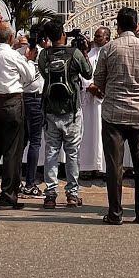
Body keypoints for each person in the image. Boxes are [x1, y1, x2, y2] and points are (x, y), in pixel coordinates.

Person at [90, 7, 139, 224]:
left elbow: (98, 79)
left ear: (117, 25)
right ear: (135, 24)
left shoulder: (108, 49)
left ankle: (115, 213)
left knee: (114, 165)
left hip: (113, 114)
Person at [37, 20, 93, 208]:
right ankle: (72, 194)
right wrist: (85, 51)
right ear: (62, 34)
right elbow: (88, 73)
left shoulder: (44, 54)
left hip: (50, 109)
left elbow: (45, 76)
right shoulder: (74, 53)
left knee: (51, 152)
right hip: (72, 110)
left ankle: (50, 195)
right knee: (72, 153)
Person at [0, 21, 34, 210]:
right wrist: (28, 60)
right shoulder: (13, 55)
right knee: (12, 151)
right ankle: (7, 196)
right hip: (12, 101)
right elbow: (28, 77)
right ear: (11, 38)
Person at [79, 27, 111, 177]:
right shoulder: (89, 55)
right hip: (89, 99)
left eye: (100, 37)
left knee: (103, 133)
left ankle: (102, 167)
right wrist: (89, 86)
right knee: (88, 132)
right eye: (96, 36)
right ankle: (86, 165)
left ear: (107, 38)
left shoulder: (111, 53)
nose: (97, 39)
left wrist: (102, 89)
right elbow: (83, 72)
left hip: (105, 99)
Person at [20, 30, 47, 198]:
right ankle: (30, 183)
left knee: (21, 142)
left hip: (22, 98)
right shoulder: (43, 53)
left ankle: (17, 182)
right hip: (34, 98)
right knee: (35, 142)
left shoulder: (16, 53)